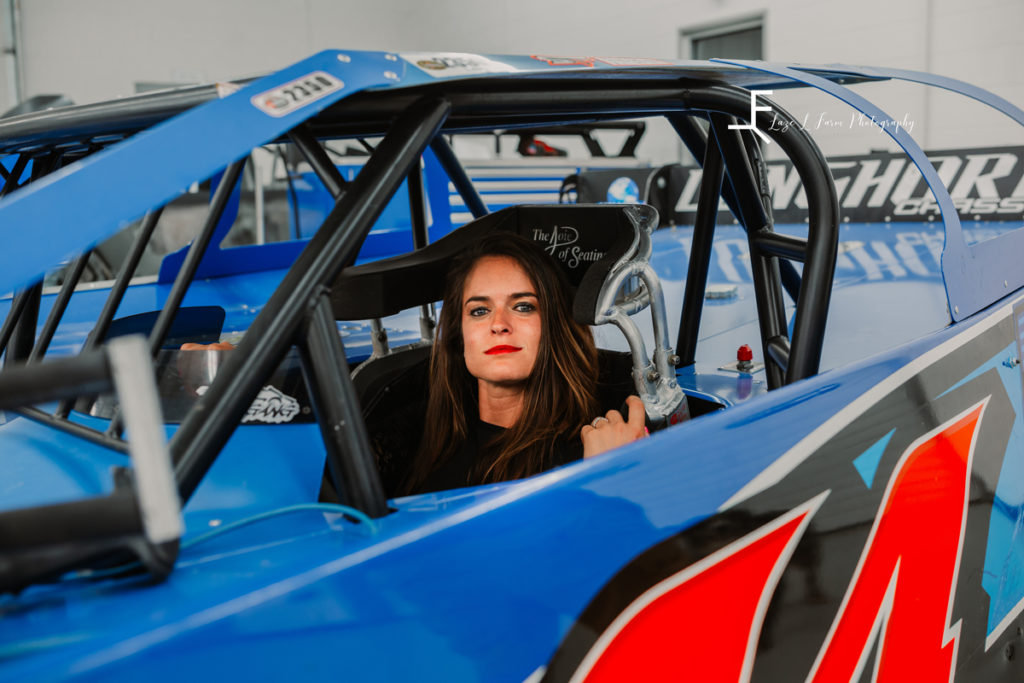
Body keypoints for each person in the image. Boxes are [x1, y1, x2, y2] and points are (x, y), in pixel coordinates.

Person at [402, 232, 646, 495]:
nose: (499, 325)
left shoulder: (593, 450)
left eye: (523, 306)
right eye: (480, 311)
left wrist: (608, 478)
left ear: (555, 326)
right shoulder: (423, 436)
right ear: (458, 335)